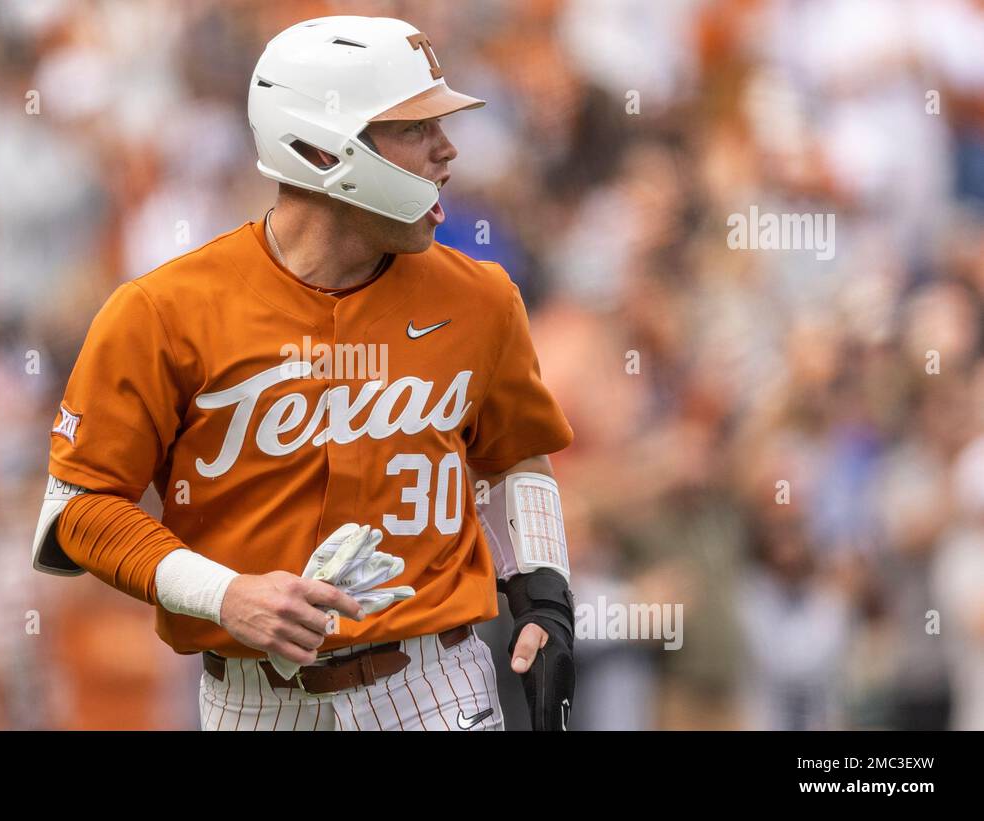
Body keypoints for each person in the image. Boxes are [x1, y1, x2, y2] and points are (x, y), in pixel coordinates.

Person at [30, 15, 577, 731]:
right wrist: (224, 593)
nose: (447, 152)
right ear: (324, 150)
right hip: (250, 697)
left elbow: (513, 457)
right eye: (413, 129)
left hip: (434, 685)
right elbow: (78, 510)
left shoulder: (481, 297)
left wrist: (544, 599)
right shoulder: (161, 311)